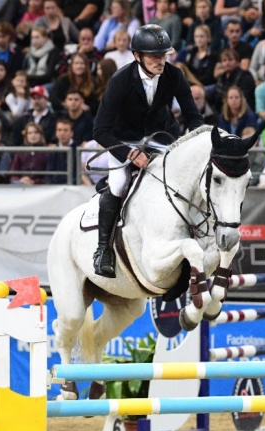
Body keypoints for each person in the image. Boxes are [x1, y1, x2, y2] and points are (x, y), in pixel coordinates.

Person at [92, 24, 205, 278]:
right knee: (119, 185)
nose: (161, 61)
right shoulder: (120, 81)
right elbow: (100, 130)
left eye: (164, 55)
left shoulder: (174, 75)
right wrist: (129, 154)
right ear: (137, 56)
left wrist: (195, 142)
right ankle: (103, 251)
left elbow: (193, 116)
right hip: (123, 140)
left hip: (163, 136)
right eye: (155, 56)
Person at [210, 48, 256, 113]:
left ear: (237, 62)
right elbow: (216, 95)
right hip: (221, 111)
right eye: (224, 60)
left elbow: (244, 98)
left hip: (242, 111)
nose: (227, 63)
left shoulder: (245, 76)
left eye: (230, 60)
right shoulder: (222, 76)